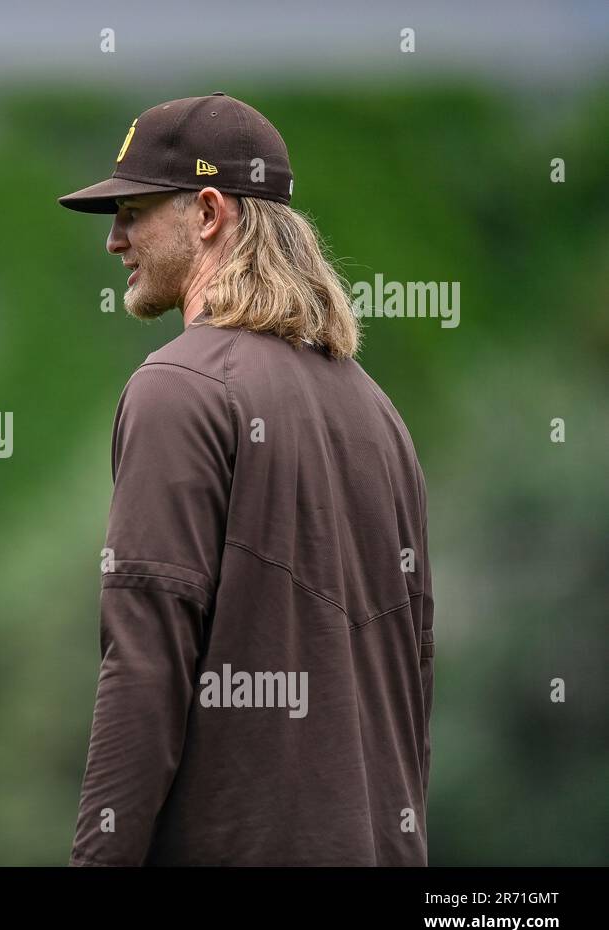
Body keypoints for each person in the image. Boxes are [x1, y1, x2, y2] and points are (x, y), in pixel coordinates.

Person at [59, 93, 434, 865]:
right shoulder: (380, 414)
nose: (115, 241)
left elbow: (145, 656)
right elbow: (414, 669)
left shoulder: (178, 386)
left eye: (132, 211)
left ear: (206, 213)